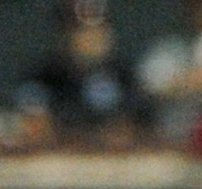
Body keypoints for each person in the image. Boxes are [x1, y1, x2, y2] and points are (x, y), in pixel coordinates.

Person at [16, 0, 137, 136]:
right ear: (65, 35)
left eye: (100, 28)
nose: (94, 37)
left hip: (113, 156)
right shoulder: (44, 78)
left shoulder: (124, 77)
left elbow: (138, 127)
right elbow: (34, 130)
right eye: (83, 31)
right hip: (58, 154)